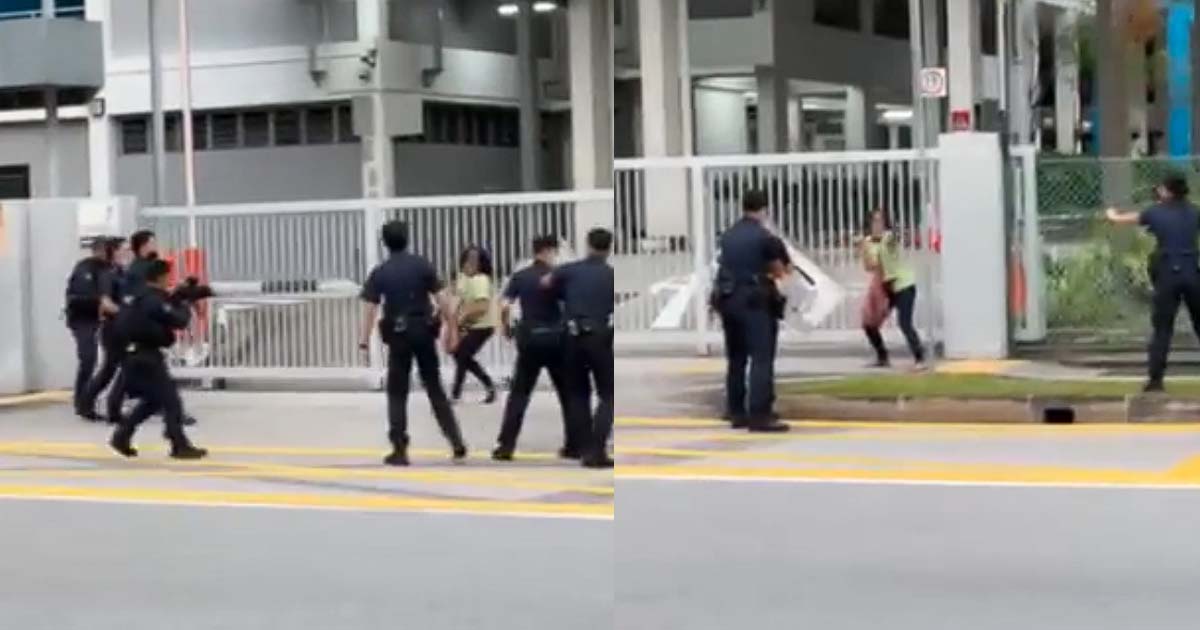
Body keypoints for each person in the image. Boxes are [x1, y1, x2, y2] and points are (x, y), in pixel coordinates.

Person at [359, 220, 467, 466]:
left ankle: (399, 448)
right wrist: (453, 330)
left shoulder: (381, 272)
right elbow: (443, 301)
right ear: (407, 238)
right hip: (423, 331)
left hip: (398, 335)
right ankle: (456, 441)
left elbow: (369, 310)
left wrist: (364, 342)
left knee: (397, 392)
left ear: (384, 242)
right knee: (434, 388)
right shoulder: (422, 266)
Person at [1106, 173, 1200, 392]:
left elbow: (1122, 219)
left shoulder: (1155, 212)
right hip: (1192, 272)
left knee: (1162, 329)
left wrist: (1111, 213)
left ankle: (1156, 380)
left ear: (1167, 191)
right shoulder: (1194, 212)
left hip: (1167, 274)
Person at [109, 260, 209, 460]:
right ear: (162, 277)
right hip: (146, 356)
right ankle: (178, 444)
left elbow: (163, 307)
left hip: (132, 355)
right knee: (171, 400)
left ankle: (122, 435)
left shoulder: (140, 297)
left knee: (153, 400)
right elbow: (179, 320)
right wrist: (185, 301)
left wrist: (179, 296)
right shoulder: (152, 300)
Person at [492, 236, 581, 461]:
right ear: (548, 251)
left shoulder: (520, 277)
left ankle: (505, 446)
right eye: (555, 252)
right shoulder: (558, 278)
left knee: (519, 394)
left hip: (530, 340)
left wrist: (506, 328)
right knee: (567, 394)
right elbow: (570, 305)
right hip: (556, 340)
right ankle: (574, 445)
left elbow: (504, 305)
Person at [713, 190, 790, 433]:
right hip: (754, 301)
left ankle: (736, 411)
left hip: (727, 299)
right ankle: (760, 413)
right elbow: (781, 270)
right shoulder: (765, 237)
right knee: (761, 357)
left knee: (736, 358)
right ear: (764, 210)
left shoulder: (728, 235)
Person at [543, 228, 615, 469]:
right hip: (600, 336)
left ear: (588, 245)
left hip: (573, 336)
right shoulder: (610, 274)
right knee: (608, 394)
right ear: (609, 248)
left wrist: (563, 293)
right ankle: (597, 449)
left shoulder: (569, 270)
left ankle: (581, 447)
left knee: (577, 394)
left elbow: (545, 283)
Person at [859, 209, 927, 371]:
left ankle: (920, 358)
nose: (877, 225)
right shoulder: (869, 242)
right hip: (886, 287)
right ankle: (882, 356)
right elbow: (870, 267)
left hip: (903, 285)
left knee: (904, 323)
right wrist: (864, 250)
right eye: (874, 221)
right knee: (869, 323)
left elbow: (891, 243)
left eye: (880, 221)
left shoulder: (888, 239)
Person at [66, 237, 123, 421]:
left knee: (111, 362)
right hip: (84, 318)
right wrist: (100, 302)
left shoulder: (113, 269)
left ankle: (87, 400)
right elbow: (81, 295)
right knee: (89, 357)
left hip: (104, 319)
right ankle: (82, 400)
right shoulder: (86, 268)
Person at [451, 246, 498, 404]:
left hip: (483, 326)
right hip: (473, 325)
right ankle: (489, 386)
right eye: (466, 260)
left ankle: (456, 394)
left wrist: (463, 321)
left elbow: (481, 307)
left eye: (473, 262)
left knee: (461, 355)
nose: (468, 265)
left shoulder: (480, 280)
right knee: (461, 355)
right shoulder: (466, 279)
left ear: (481, 264)